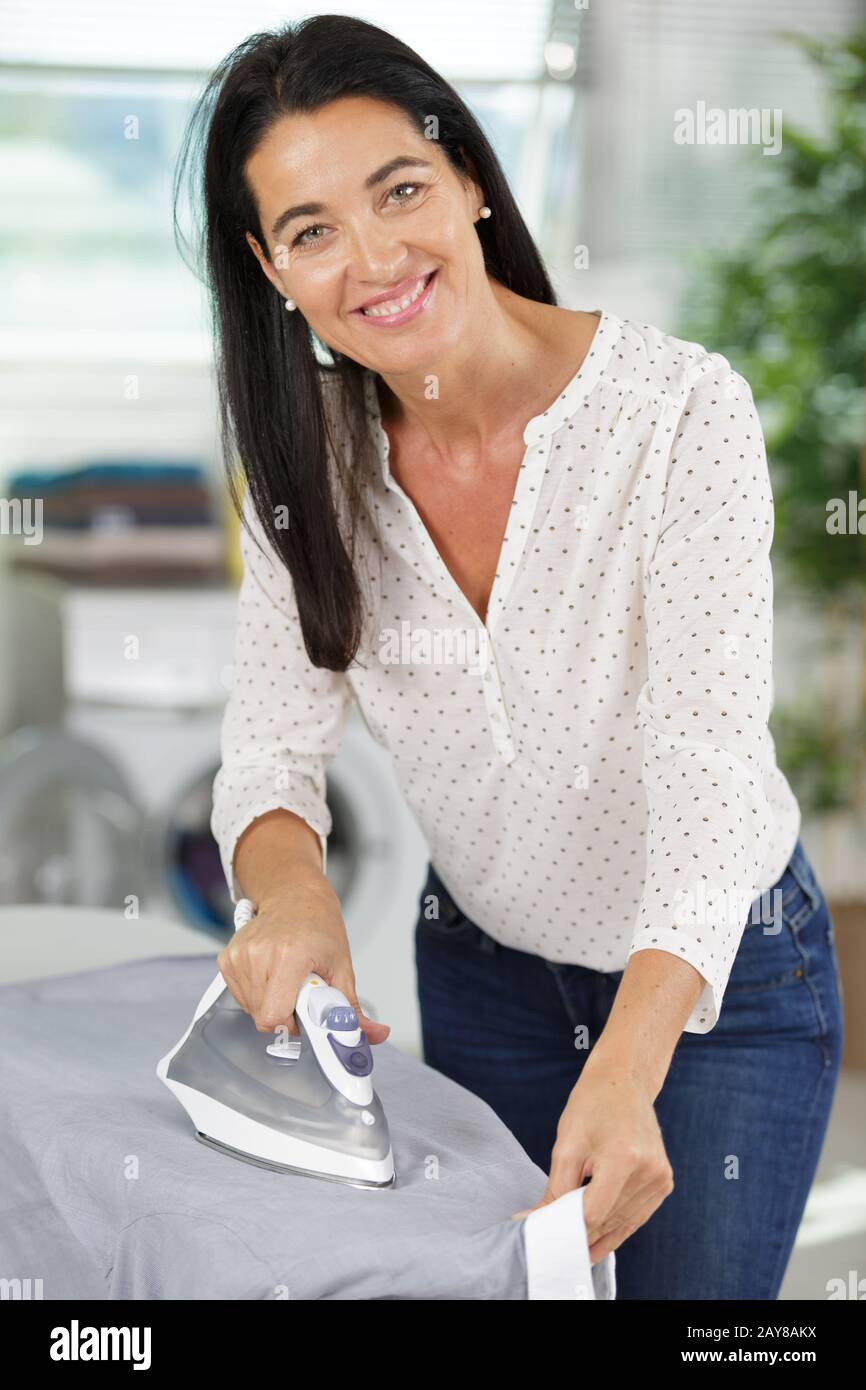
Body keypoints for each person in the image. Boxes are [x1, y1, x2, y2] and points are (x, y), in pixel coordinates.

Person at [177, 15, 844, 1298]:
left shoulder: (675, 413)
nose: (373, 258)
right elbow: (268, 750)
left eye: (401, 190)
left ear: (472, 180)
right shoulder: (301, 459)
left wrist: (631, 1057)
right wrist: (294, 895)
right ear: (269, 268)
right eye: (311, 230)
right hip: (486, 967)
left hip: (712, 976)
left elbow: (708, 776)